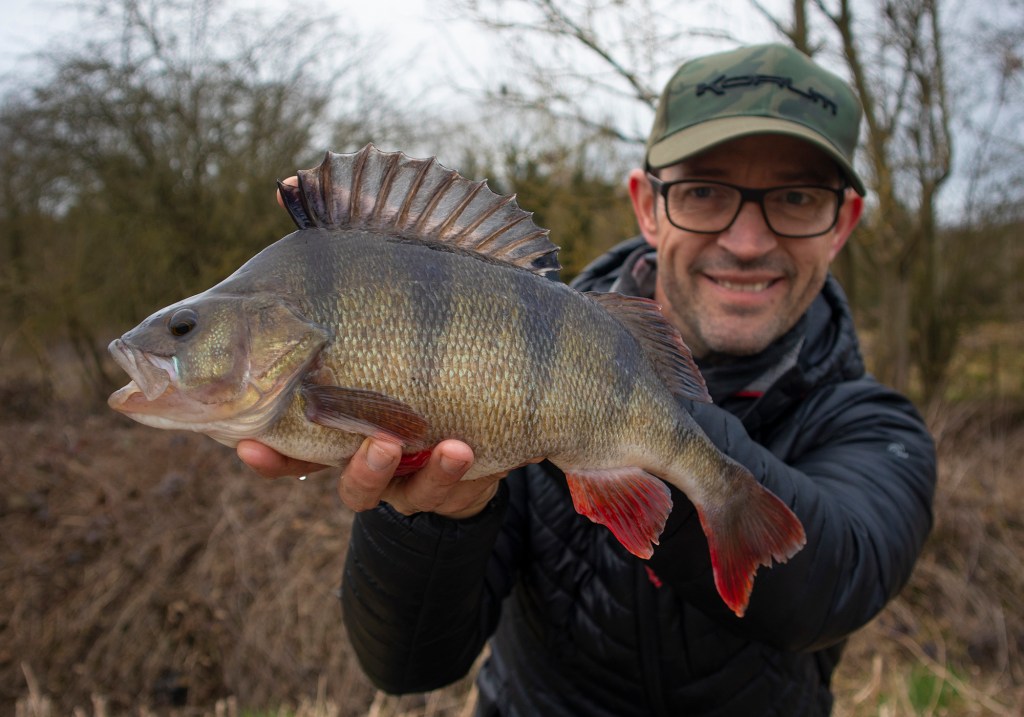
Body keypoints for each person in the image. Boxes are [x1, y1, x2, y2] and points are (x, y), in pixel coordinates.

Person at [238, 43, 936, 716]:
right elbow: (409, 667)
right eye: (702, 191)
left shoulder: (877, 427)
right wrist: (428, 516)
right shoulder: (504, 360)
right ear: (646, 205)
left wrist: (618, 397)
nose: (746, 241)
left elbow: (829, 590)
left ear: (842, 222)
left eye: (796, 198)